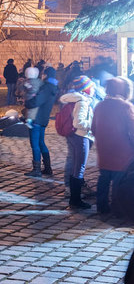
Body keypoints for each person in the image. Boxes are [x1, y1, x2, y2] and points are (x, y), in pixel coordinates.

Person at [92, 76, 134, 215]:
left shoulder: (100, 105)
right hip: (123, 152)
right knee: (118, 180)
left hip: (104, 150)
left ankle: (101, 205)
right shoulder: (126, 107)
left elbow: (93, 128)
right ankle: (117, 207)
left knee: (103, 178)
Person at [59, 75, 96, 209]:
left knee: (76, 166)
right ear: (86, 89)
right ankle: (75, 199)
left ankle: (75, 198)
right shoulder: (82, 102)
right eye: (91, 87)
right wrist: (93, 124)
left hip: (75, 136)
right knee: (79, 168)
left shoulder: (78, 100)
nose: (93, 89)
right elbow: (78, 122)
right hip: (81, 136)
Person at [24, 66, 59, 177]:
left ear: (46, 75)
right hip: (43, 118)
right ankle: (47, 168)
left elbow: (37, 101)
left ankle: (37, 170)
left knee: (35, 144)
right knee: (41, 143)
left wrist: (27, 104)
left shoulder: (46, 88)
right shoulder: (53, 87)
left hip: (37, 118)